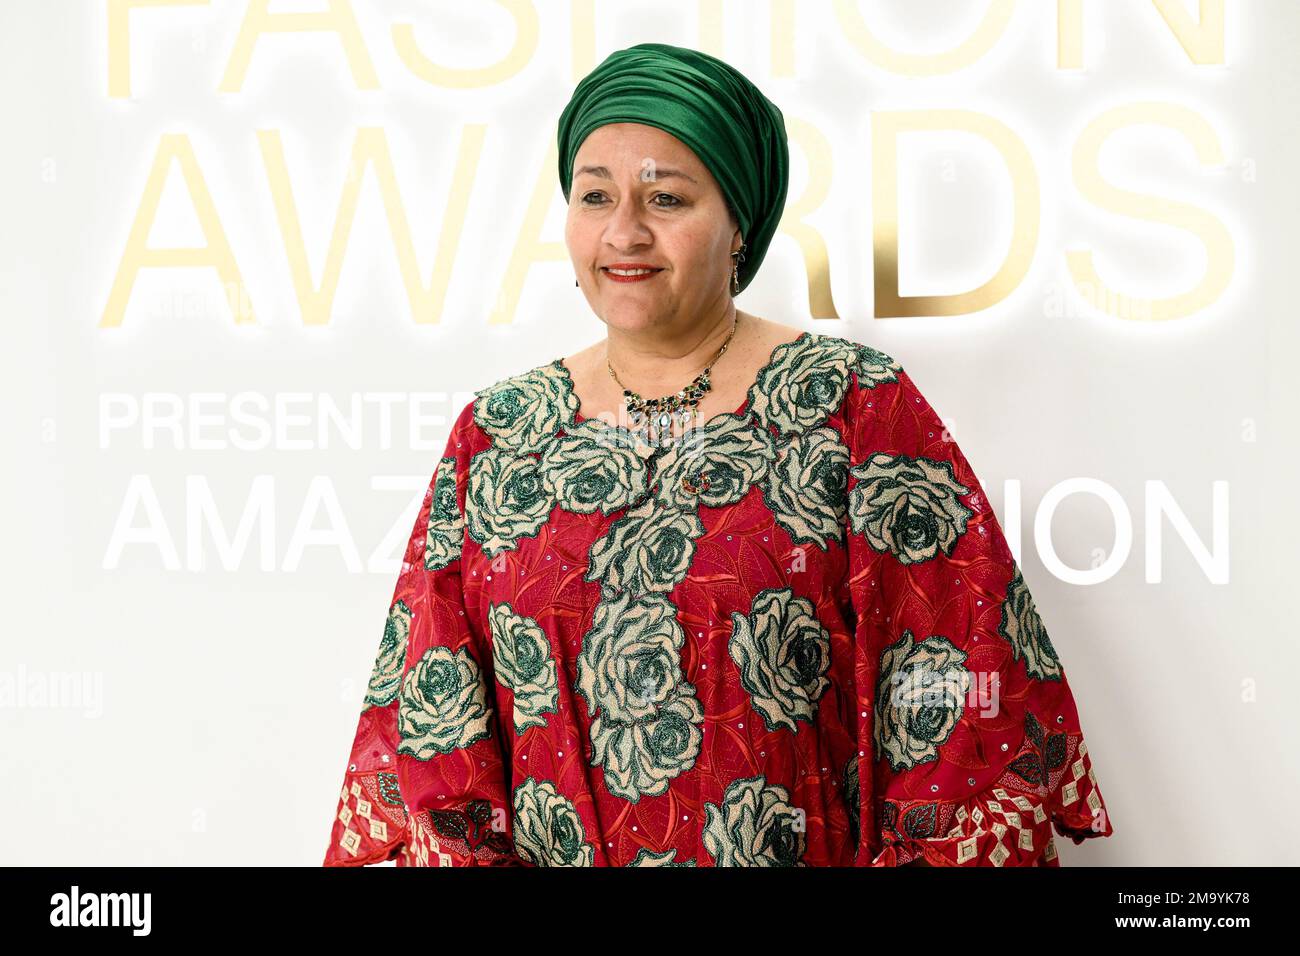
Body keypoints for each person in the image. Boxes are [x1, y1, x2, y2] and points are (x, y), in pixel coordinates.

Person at [322, 42, 1114, 867]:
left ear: (740, 222)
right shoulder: (498, 432)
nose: (623, 231)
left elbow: (960, 691)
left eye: (665, 197)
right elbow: (434, 728)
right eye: (594, 195)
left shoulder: (852, 404)